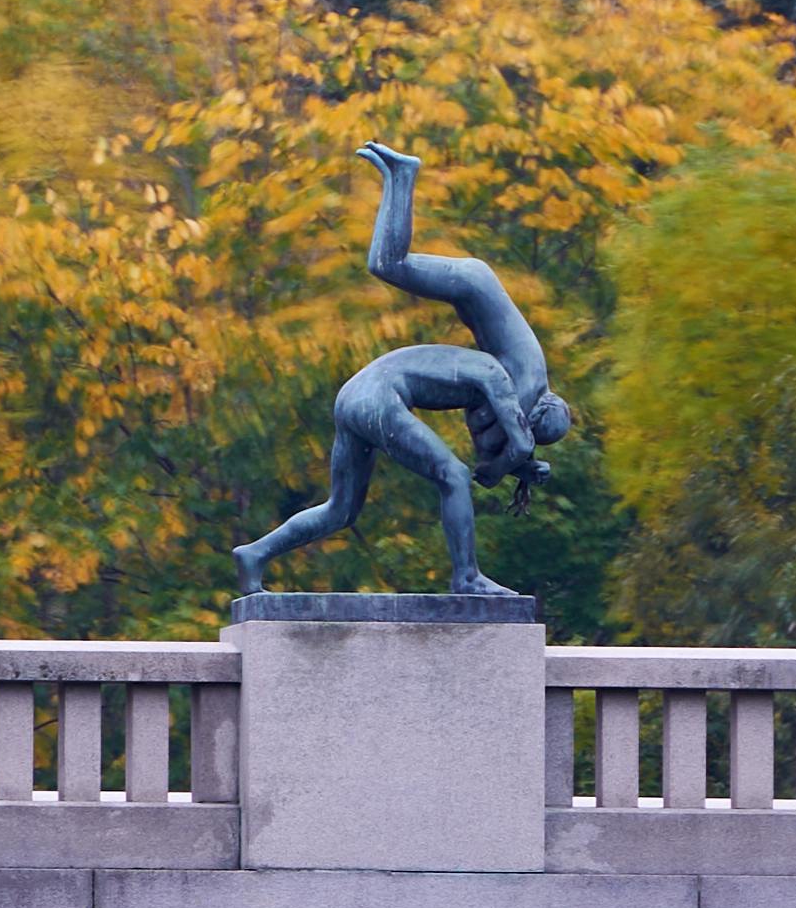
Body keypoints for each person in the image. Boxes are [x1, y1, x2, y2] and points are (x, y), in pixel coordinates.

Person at [233, 144, 573, 596]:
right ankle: (467, 577)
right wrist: (520, 460)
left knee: (341, 510)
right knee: (449, 473)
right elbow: (497, 457)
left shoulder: (490, 371)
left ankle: (254, 554)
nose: (497, 425)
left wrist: (519, 466)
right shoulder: (505, 377)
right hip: (392, 376)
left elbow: (500, 452)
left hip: (358, 395)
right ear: (536, 405)